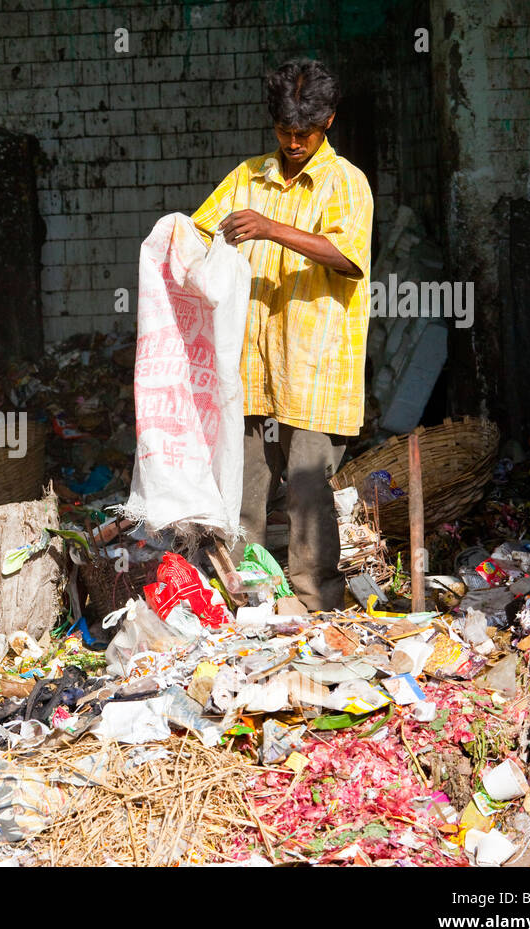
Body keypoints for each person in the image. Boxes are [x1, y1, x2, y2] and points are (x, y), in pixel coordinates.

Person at [189, 58, 373, 610]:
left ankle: (314, 602)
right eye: (285, 132)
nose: (293, 143)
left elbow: (347, 257)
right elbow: (200, 234)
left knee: (308, 489)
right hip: (252, 365)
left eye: (305, 133)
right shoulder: (247, 178)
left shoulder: (346, 183)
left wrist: (271, 229)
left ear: (329, 123)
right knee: (244, 489)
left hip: (316, 368)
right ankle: (241, 596)